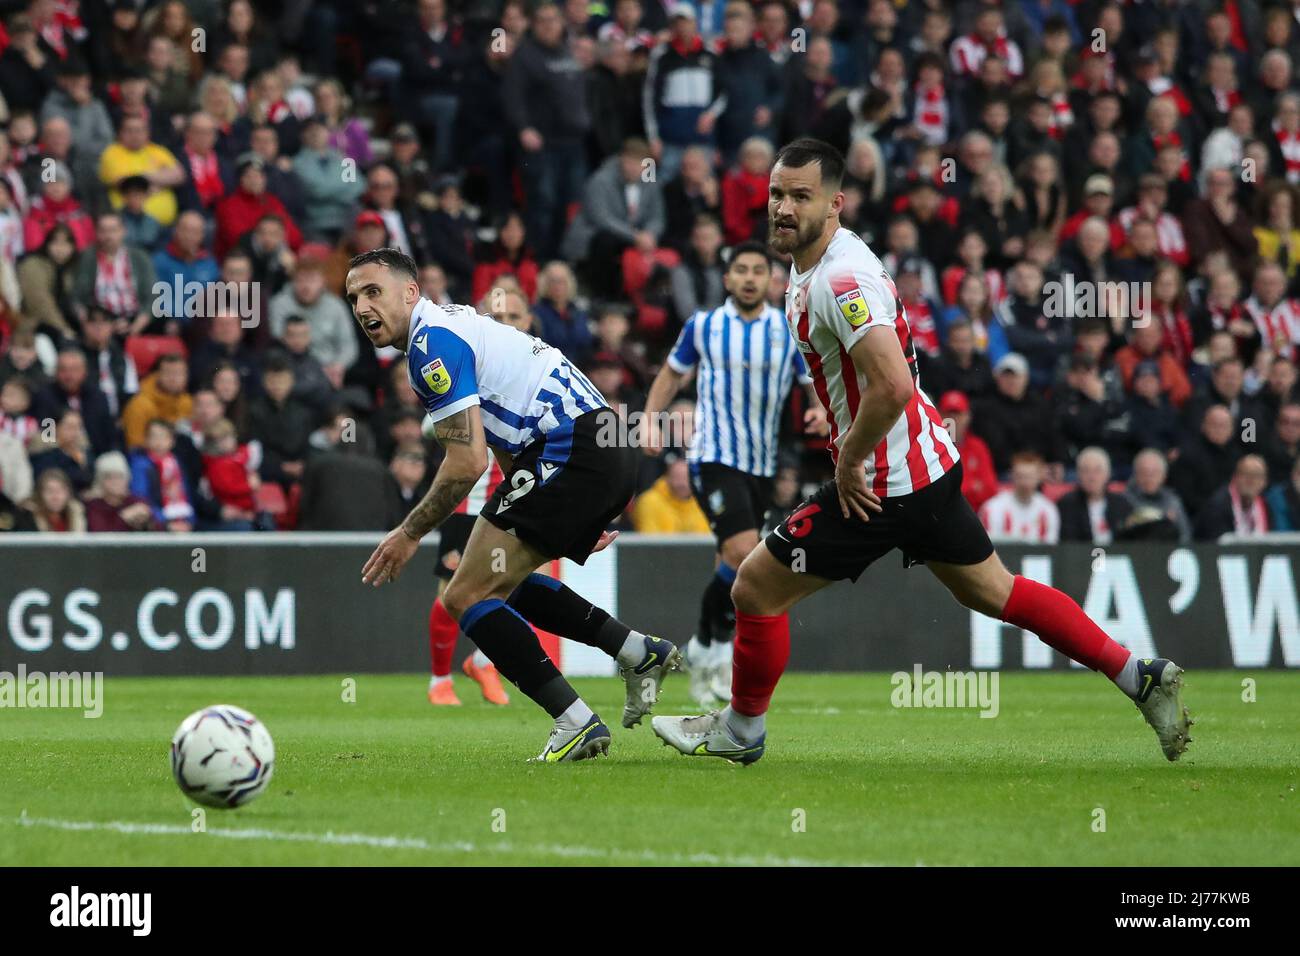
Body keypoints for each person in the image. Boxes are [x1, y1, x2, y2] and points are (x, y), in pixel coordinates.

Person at [651, 139, 1192, 765]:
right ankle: (1138, 675)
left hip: (881, 483)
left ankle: (741, 732)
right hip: (923, 467)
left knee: (754, 590)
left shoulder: (840, 278)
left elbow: (892, 384)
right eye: (777, 194)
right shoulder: (818, 263)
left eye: (801, 196)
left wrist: (849, 457)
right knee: (995, 591)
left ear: (835, 204)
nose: (783, 207)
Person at [347, 247, 680, 762]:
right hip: (596, 447)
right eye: (354, 298)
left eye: (373, 292)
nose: (364, 307)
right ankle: (637, 651)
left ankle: (574, 721)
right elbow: (505, 442)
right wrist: (572, 511)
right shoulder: (453, 322)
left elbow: (466, 461)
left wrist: (408, 532)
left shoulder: (430, 345)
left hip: (575, 448)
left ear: (410, 292)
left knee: (463, 595)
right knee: (501, 577)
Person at [641, 240, 826, 707]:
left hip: (762, 464)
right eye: (740, 269)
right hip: (713, 457)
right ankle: (717, 652)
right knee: (746, 552)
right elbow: (671, 374)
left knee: (732, 562)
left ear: (771, 280)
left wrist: (822, 411)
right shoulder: (704, 325)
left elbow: (814, 380)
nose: (748, 278)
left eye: (757, 271)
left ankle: (703, 645)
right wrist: (648, 418)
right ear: (727, 279)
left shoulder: (788, 329)